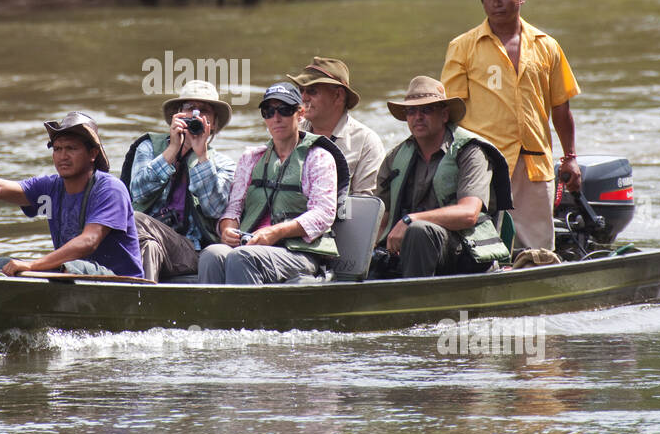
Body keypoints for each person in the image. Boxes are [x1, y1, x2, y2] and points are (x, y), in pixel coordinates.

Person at [441, 0, 581, 252]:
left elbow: (561, 107)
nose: (496, 2)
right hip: (483, 161)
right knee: (484, 245)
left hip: (533, 161)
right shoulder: (463, 46)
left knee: (537, 250)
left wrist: (570, 158)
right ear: (482, 2)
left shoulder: (547, 46)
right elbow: (450, 111)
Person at [0, 111, 143, 279]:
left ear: (92, 154)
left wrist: (33, 265)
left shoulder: (109, 189)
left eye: (71, 149)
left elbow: (89, 241)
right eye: (57, 149)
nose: (63, 156)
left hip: (119, 279)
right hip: (71, 273)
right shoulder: (50, 186)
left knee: (66, 267)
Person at [198, 82, 349, 285]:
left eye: (284, 110)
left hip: (299, 253)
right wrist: (227, 229)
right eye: (268, 112)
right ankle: (213, 317)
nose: (276, 118)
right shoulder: (250, 158)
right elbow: (233, 208)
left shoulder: (319, 158)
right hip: (250, 245)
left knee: (242, 257)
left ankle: (248, 317)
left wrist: (276, 232)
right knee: (212, 254)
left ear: (300, 113)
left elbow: (323, 214)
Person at [375, 77, 514, 279]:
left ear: (444, 114)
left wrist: (410, 219)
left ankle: (412, 301)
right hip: (411, 248)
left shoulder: (470, 152)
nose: (418, 117)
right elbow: (381, 218)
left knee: (418, 231)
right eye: (411, 111)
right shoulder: (395, 158)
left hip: (464, 247)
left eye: (427, 110)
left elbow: (468, 213)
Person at [123, 80, 237, 281]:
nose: (196, 116)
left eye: (204, 111)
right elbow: (137, 192)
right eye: (190, 109)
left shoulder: (222, 164)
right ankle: (142, 304)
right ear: (177, 115)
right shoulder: (149, 147)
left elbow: (215, 209)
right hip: (148, 239)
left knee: (134, 219)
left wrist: (201, 156)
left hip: (192, 250)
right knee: (148, 245)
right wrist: (173, 150)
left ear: (214, 124)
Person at [288, 56, 384, 196]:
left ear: (338, 95)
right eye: (301, 90)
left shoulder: (366, 143)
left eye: (312, 91)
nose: (303, 98)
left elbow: (366, 206)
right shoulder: (290, 132)